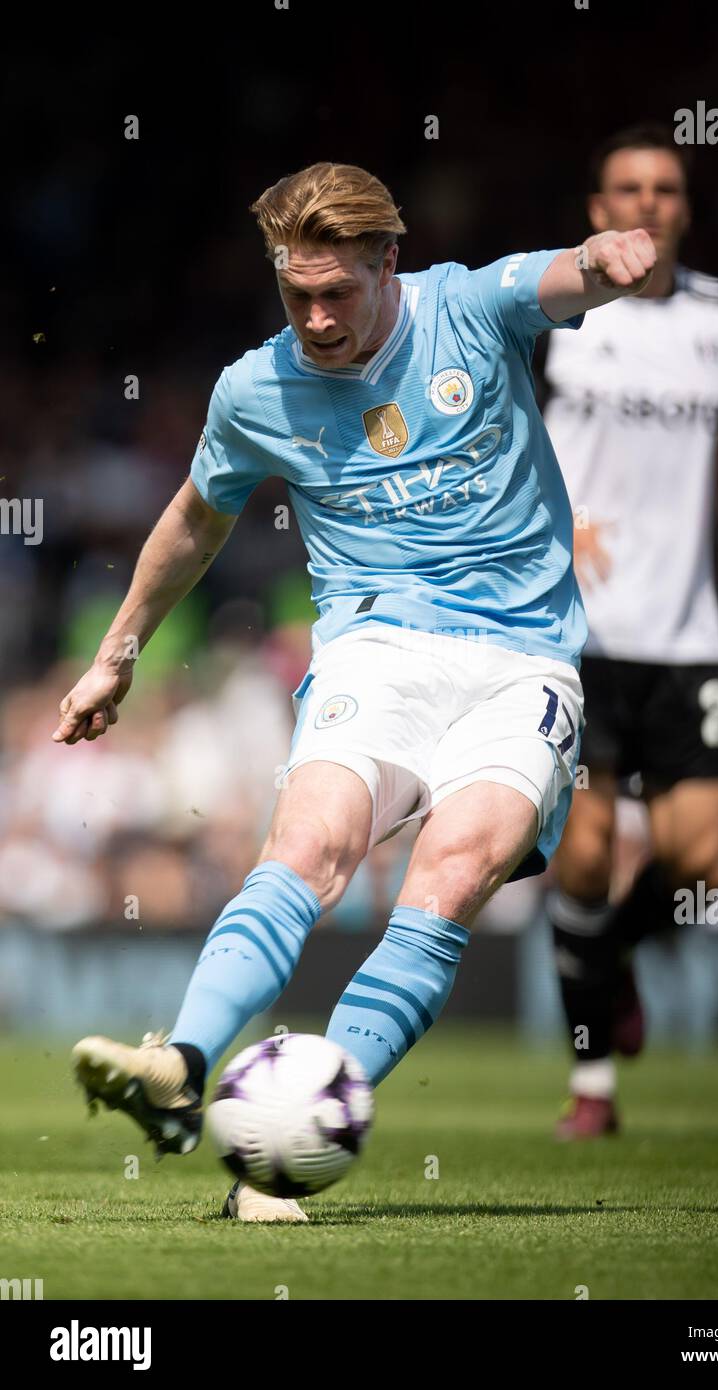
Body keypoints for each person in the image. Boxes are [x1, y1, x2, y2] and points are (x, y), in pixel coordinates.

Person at [53, 161, 657, 1218]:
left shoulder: (468, 307)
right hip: (376, 651)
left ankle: (289, 1135)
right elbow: (199, 514)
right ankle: (184, 1065)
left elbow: (561, 279)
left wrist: (605, 264)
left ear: (391, 261)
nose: (319, 319)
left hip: (521, 663)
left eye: (339, 291)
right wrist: (119, 648)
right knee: (310, 844)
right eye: (298, 295)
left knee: (451, 872)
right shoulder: (256, 390)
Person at [541, 125, 718, 1139]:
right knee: (575, 859)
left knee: (701, 857)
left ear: (682, 208)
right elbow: (498, 442)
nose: (645, 202)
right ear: (594, 206)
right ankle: (592, 1087)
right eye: (626, 186)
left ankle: (607, 961)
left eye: (663, 187)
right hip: (570, 632)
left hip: (686, 631)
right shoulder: (551, 312)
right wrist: (548, 524)